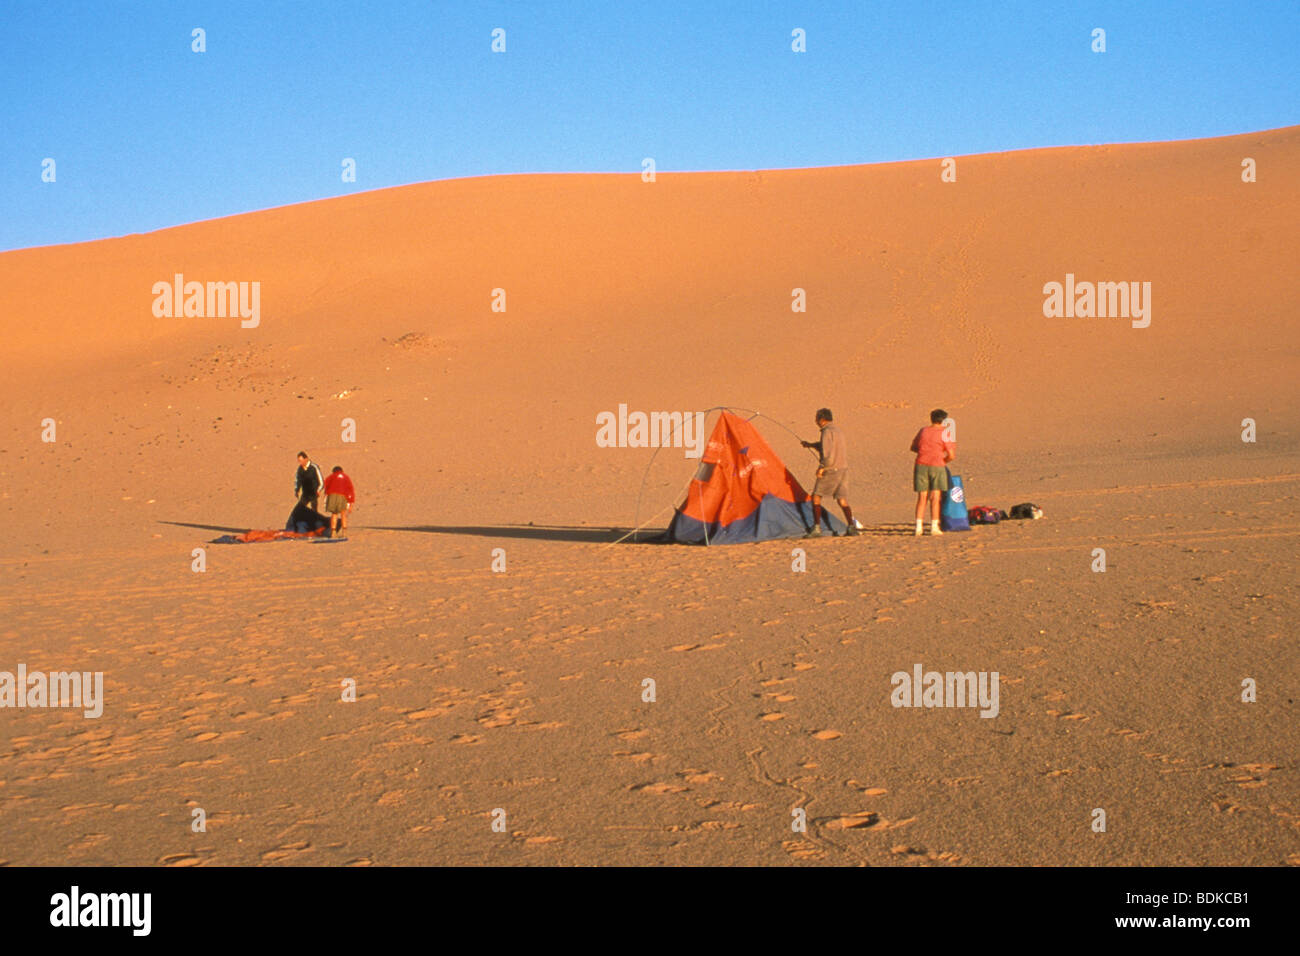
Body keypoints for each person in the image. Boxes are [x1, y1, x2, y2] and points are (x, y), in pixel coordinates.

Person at [800, 408, 859, 537]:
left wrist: (822, 468)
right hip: (843, 469)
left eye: (817, 418)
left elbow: (829, 456)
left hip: (831, 470)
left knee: (816, 496)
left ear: (822, 420)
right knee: (842, 499)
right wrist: (810, 445)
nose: (815, 421)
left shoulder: (826, 432)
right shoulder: (838, 431)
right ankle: (851, 527)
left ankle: (816, 529)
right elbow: (827, 446)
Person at [910, 409, 955, 536]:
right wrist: (943, 461)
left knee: (922, 497)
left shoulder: (923, 430)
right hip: (937, 466)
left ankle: (918, 527)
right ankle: (934, 527)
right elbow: (951, 455)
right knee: (935, 497)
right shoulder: (945, 433)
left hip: (921, 465)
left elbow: (913, 447)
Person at [323, 466, 356, 538]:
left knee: (334, 514)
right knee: (343, 513)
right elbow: (350, 489)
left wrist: (326, 494)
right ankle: (344, 532)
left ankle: (333, 532)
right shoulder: (345, 477)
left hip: (332, 495)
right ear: (342, 471)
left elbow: (324, 484)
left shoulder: (331, 476)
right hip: (342, 495)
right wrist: (351, 502)